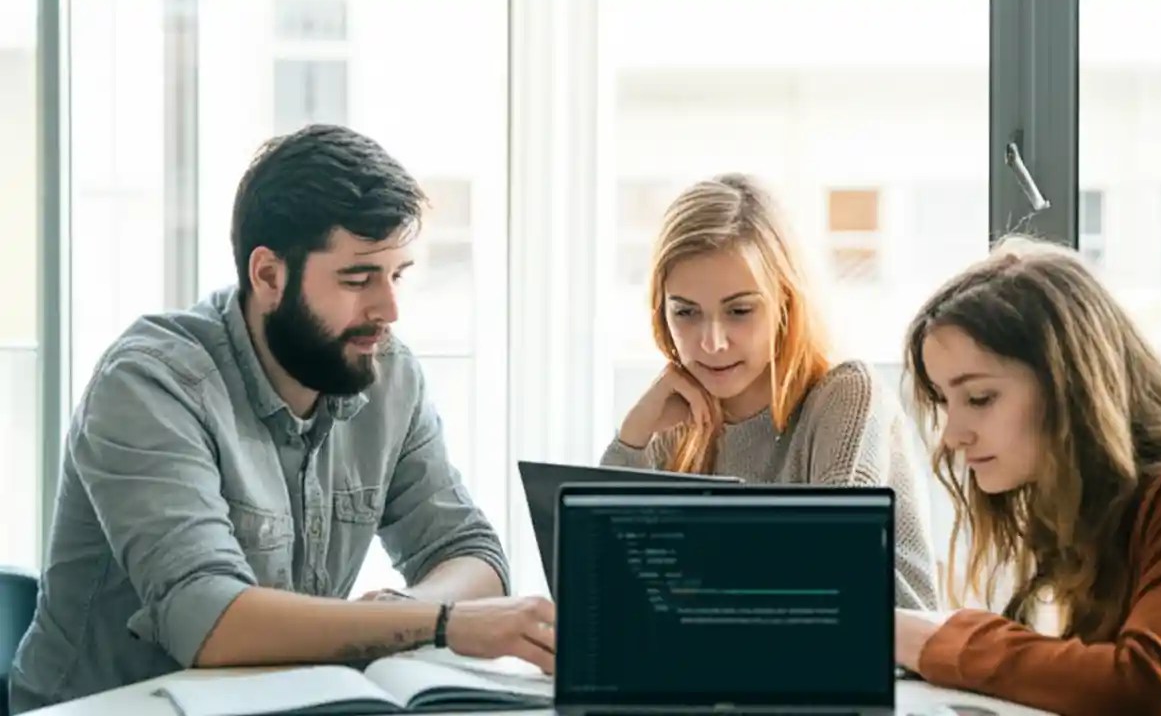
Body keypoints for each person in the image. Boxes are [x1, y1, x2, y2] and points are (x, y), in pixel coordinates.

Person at [10, 125, 554, 713]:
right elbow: (207, 617)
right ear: (268, 275)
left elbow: (470, 552)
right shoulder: (151, 382)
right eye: (358, 279)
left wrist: (406, 612)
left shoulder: (387, 373)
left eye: (397, 275)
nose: (389, 309)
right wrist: (441, 623)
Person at [895, 236, 1161, 715]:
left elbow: (1149, 689)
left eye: (979, 399)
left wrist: (932, 642)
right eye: (944, 402)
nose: (953, 436)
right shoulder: (1092, 510)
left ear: (1071, 385)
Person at [602, 173, 938, 610]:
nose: (712, 342)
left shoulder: (846, 395)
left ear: (785, 303)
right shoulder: (675, 423)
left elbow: (830, 571)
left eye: (739, 311)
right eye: (685, 313)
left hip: (879, 650)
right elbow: (602, 585)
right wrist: (632, 440)